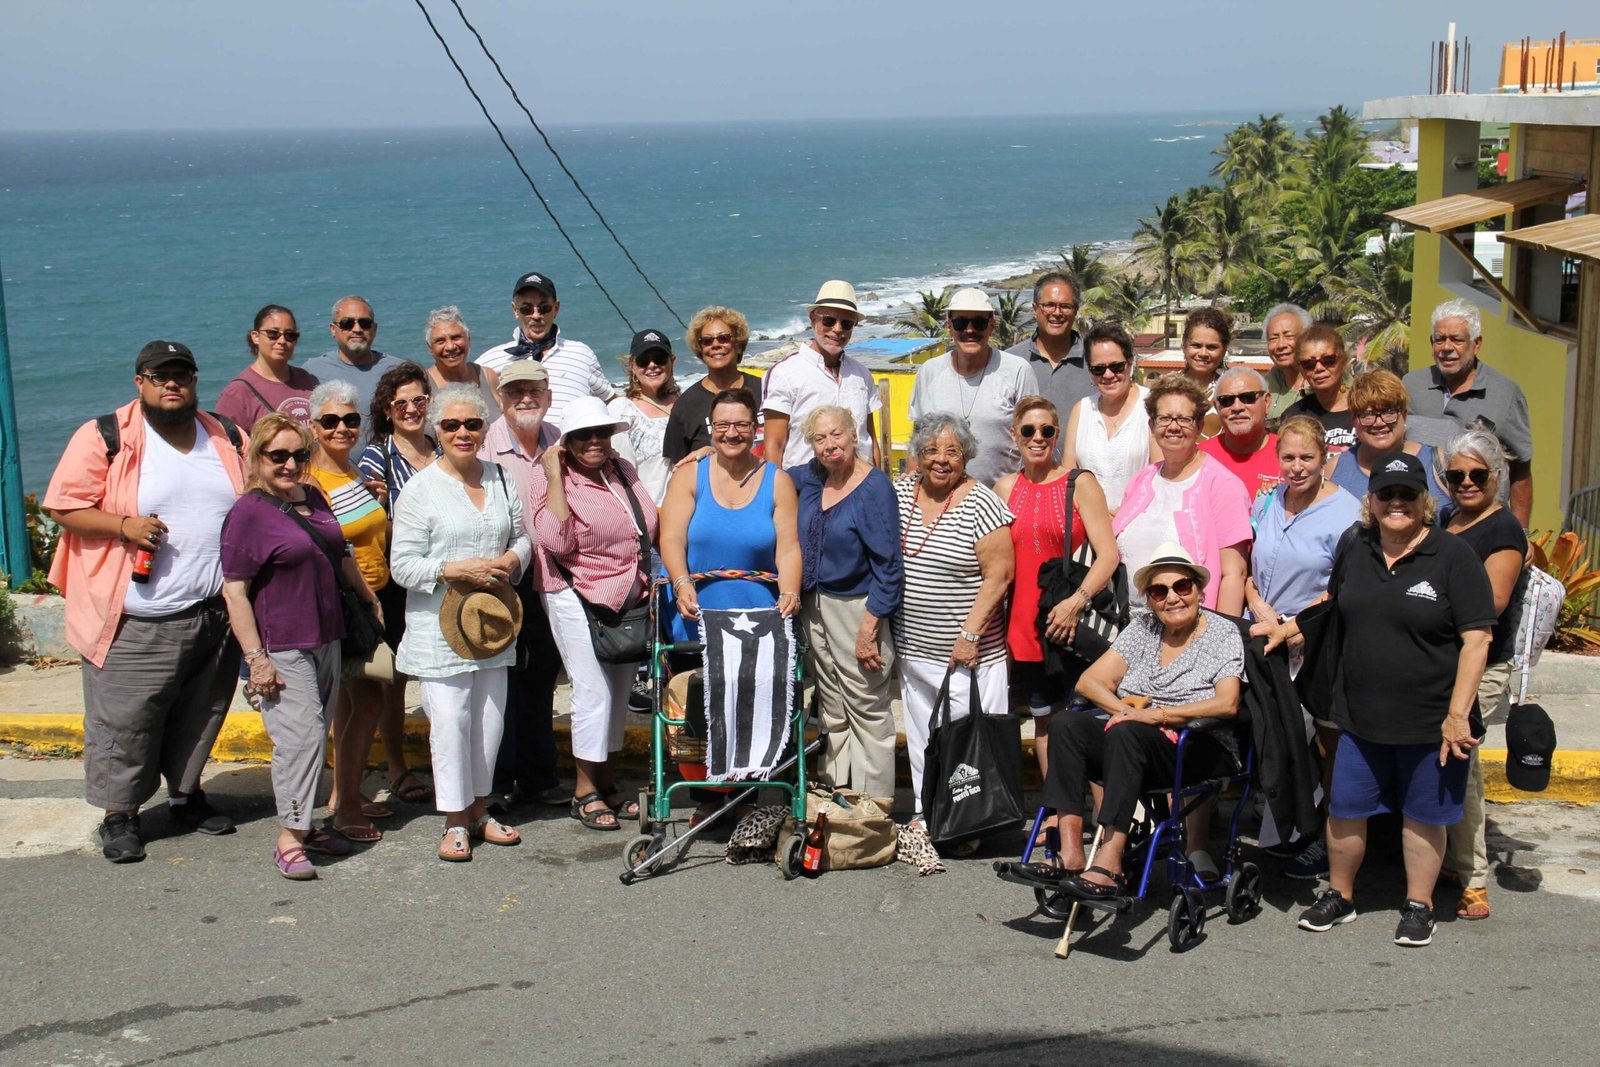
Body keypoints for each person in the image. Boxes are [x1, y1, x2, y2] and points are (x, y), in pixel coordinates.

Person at [1270, 452, 1494, 948]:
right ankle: (1341, 895)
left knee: (1424, 817)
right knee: (1345, 810)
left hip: (1431, 719)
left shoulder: (1453, 558)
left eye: (1407, 495)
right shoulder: (1357, 546)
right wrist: (1287, 627)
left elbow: (1476, 640)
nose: (1396, 503)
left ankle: (1419, 904)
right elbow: (1333, 605)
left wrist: (1458, 715)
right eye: (1386, 494)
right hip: (1358, 715)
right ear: (1371, 502)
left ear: (1424, 502)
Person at [43, 341, 246, 863]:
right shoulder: (105, 436)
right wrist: (123, 525)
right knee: (125, 721)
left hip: (214, 610)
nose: (171, 384)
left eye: (181, 375)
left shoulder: (223, 433)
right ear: (140, 382)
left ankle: (185, 797)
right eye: (160, 376)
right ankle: (120, 816)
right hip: (135, 615)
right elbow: (64, 505)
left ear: (195, 380)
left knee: (201, 713)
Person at [220, 414, 380, 879]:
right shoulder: (248, 513)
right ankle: (289, 838)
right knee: (301, 738)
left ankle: (307, 828)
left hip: (328, 634)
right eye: (278, 456)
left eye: (298, 455)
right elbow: (235, 592)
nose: (290, 464)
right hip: (283, 643)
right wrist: (256, 661)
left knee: (318, 730)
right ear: (258, 458)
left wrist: (368, 599)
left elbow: (340, 552)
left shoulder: (311, 496)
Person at [1047, 544, 1245, 898]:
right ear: (1150, 599)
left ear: (1199, 590)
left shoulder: (1221, 632)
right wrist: (1124, 708)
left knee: (1127, 732)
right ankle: (1072, 850)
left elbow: (1228, 703)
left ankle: (1110, 859)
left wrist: (1157, 715)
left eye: (1182, 586)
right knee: (1066, 725)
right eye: (1159, 590)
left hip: (1196, 744)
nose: (1172, 597)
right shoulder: (1144, 628)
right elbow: (1088, 681)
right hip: (1138, 738)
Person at [390, 384, 533, 862]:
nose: (463, 433)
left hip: (491, 625)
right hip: (439, 630)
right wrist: (453, 569)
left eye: (472, 423)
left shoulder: (500, 478)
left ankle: (477, 809)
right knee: (450, 723)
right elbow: (402, 566)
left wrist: (513, 559)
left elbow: (521, 536)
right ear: (437, 429)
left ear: (485, 426)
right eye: (451, 425)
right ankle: (453, 819)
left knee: (489, 723)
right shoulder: (419, 490)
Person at [660, 387, 802, 822]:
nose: (732, 433)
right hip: (697, 610)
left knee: (763, 689)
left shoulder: (777, 480)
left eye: (741, 424)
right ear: (710, 429)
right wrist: (681, 582)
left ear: (755, 427)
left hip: (759, 611)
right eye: (722, 425)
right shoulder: (689, 475)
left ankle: (753, 789)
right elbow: (671, 538)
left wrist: (791, 590)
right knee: (701, 696)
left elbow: (789, 547)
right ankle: (708, 793)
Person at [530, 397, 660, 830]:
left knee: (620, 691)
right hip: (575, 592)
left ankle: (606, 779)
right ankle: (583, 789)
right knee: (593, 692)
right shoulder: (549, 477)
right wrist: (552, 475)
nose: (594, 441)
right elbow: (558, 541)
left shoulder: (622, 470)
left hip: (628, 592)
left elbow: (648, 524)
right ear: (565, 442)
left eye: (601, 433)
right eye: (583, 435)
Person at [1243, 415, 1362, 879]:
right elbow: (1250, 565)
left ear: (1325, 459)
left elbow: (1342, 585)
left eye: (1306, 458)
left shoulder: (1348, 511)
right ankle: (1286, 825)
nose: (1297, 467)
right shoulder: (1268, 501)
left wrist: (1293, 625)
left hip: (1318, 638)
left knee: (1325, 740)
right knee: (1281, 733)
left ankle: (1325, 834)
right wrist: (1257, 605)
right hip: (1267, 633)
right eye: (1288, 458)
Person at [892, 413, 1015, 827]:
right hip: (913, 647)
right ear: (917, 455)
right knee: (925, 739)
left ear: (967, 457)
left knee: (969, 744)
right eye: (931, 451)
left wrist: (969, 634)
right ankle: (931, 813)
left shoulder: (982, 502)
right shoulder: (902, 492)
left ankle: (971, 820)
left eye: (952, 452)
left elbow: (1000, 575)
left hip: (969, 654)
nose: (941, 460)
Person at [994, 398, 1119, 781]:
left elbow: (1108, 554)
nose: (1037, 438)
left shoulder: (1078, 483)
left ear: (1057, 434)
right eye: (1028, 431)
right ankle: (1057, 815)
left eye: (1046, 430)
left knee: (1089, 721)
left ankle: (1103, 821)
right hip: (1026, 628)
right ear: (1014, 436)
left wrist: (1075, 603)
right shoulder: (1004, 487)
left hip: (1072, 623)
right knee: (1045, 724)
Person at [788, 405, 902, 804]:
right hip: (813, 606)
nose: (829, 445)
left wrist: (870, 630)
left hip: (858, 608)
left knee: (867, 707)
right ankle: (838, 797)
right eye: (819, 438)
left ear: (854, 436)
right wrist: (705, 454)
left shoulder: (874, 488)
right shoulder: (810, 478)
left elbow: (890, 566)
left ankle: (874, 809)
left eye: (837, 434)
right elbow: (763, 474)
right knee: (832, 705)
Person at [1440, 429, 1527, 921]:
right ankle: (1454, 861)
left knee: (1462, 765)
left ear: (1496, 475)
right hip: (1443, 660)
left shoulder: (1503, 529)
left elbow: (1492, 603)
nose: (1467, 483)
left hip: (1484, 662)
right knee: (1446, 760)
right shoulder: (1449, 518)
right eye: (1457, 475)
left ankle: (1474, 879)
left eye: (1477, 474)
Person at [305, 380, 394, 842]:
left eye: (350, 419)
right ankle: (346, 807)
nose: (342, 428)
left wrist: (374, 499)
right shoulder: (310, 483)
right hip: (343, 606)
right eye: (331, 421)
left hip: (370, 598)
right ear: (313, 425)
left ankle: (344, 796)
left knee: (349, 704)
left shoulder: (354, 473)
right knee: (369, 698)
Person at [479, 361, 569, 811]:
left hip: (552, 583)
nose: (525, 398)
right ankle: (494, 783)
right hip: (501, 584)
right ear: (501, 399)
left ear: (548, 395)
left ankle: (538, 776)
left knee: (540, 683)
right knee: (499, 685)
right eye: (515, 392)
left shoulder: (560, 440)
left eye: (534, 390)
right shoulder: (484, 443)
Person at [355, 361, 437, 806]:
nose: (410, 409)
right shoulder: (376, 457)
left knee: (444, 670)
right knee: (397, 677)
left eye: (418, 400)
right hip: (397, 579)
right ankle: (396, 766)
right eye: (400, 402)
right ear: (387, 410)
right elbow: (371, 527)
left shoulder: (443, 446)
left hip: (443, 576)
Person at [1113, 376, 1252, 615]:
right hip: (1129, 623)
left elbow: (1233, 574)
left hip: (1190, 630)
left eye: (1184, 419)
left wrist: (1218, 641)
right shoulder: (1141, 481)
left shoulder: (1223, 485)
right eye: (1165, 418)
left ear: (1199, 426)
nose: (1173, 427)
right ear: (1152, 426)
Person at [1403, 299, 1535, 525]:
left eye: (1456, 340)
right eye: (1439, 339)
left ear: (1476, 344)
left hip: (1481, 523)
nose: (1446, 348)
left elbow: (1520, 469)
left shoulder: (1505, 393)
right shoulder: (1410, 384)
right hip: (1417, 521)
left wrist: (1520, 531)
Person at [907, 289, 1034, 487]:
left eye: (979, 322)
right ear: (949, 326)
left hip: (1002, 501)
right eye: (961, 322)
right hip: (941, 499)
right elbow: (917, 441)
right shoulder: (929, 372)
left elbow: (1032, 438)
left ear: (992, 325)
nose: (969, 330)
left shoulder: (1017, 370)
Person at [761, 280, 882, 470]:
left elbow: (870, 441)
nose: (837, 329)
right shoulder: (784, 374)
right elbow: (773, 447)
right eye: (829, 320)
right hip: (807, 489)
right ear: (813, 319)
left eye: (847, 323)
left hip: (860, 486)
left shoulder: (862, 375)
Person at [475, 271, 614, 430]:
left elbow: (609, 400)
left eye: (544, 308)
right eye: (527, 309)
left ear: (556, 308)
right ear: (515, 310)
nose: (536, 315)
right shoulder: (490, 361)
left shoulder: (582, 354)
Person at [1062, 322, 1156, 513]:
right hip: (1088, 527)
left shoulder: (1152, 406)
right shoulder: (1081, 410)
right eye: (1098, 369)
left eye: (1116, 367)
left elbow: (1160, 476)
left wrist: (1122, 514)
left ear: (1130, 363)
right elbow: (1067, 479)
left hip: (1139, 521)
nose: (1108, 375)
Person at [1329, 369, 1448, 509]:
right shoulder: (1334, 469)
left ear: (1404, 415)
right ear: (1354, 420)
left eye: (1388, 412)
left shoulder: (1439, 463)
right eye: (1367, 415)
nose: (1379, 423)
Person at [662, 306, 764, 463]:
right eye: (707, 341)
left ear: (738, 343)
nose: (715, 345)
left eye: (724, 338)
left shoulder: (765, 389)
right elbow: (677, 466)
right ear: (700, 349)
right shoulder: (686, 406)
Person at [1006, 273, 1094, 450]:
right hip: (1024, 474)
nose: (1057, 312)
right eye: (1049, 305)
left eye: (1065, 306)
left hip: (1081, 474)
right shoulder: (1010, 361)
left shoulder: (1095, 363)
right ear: (1034, 308)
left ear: (1076, 310)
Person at [215, 304, 318, 430]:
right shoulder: (237, 393)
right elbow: (226, 445)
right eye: (273, 334)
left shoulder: (306, 379)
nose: (282, 341)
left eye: (289, 335)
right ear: (255, 337)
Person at [608, 328, 680, 504]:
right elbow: (621, 475)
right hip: (647, 514)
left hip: (685, 513)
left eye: (660, 359)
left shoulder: (686, 403)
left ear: (672, 361)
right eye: (643, 361)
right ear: (632, 366)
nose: (652, 365)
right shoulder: (621, 411)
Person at [300, 296, 404, 415]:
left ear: (374, 329)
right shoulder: (312, 371)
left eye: (364, 323)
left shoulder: (397, 370)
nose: (357, 329)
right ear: (333, 329)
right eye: (347, 323)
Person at [1199, 366, 1280, 506]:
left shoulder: (1290, 455)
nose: (1237, 407)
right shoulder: (1199, 458)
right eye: (1226, 400)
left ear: (1266, 402)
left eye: (1247, 398)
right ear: (1216, 406)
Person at [1280, 325, 1356, 453]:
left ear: (1343, 361)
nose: (1319, 368)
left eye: (1328, 360)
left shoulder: (1364, 407)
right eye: (1309, 364)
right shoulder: (1294, 416)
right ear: (1301, 369)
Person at [424, 305, 500, 415]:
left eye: (456, 338)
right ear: (430, 348)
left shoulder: (488, 376)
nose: (450, 347)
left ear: (469, 339)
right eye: (440, 341)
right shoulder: (424, 385)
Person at [1262, 303, 1312, 423]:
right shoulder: (1264, 386)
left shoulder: (1324, 381)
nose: (1281, 345)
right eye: (1273, 338)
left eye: (1289, 336)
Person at [1180, 306, 1232, 397]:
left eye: (1211, 347)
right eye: (1196, 346)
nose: (1203, 353)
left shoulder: (1235, 387)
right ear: (1184, 346)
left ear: (1224, 350)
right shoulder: (1168, 387)